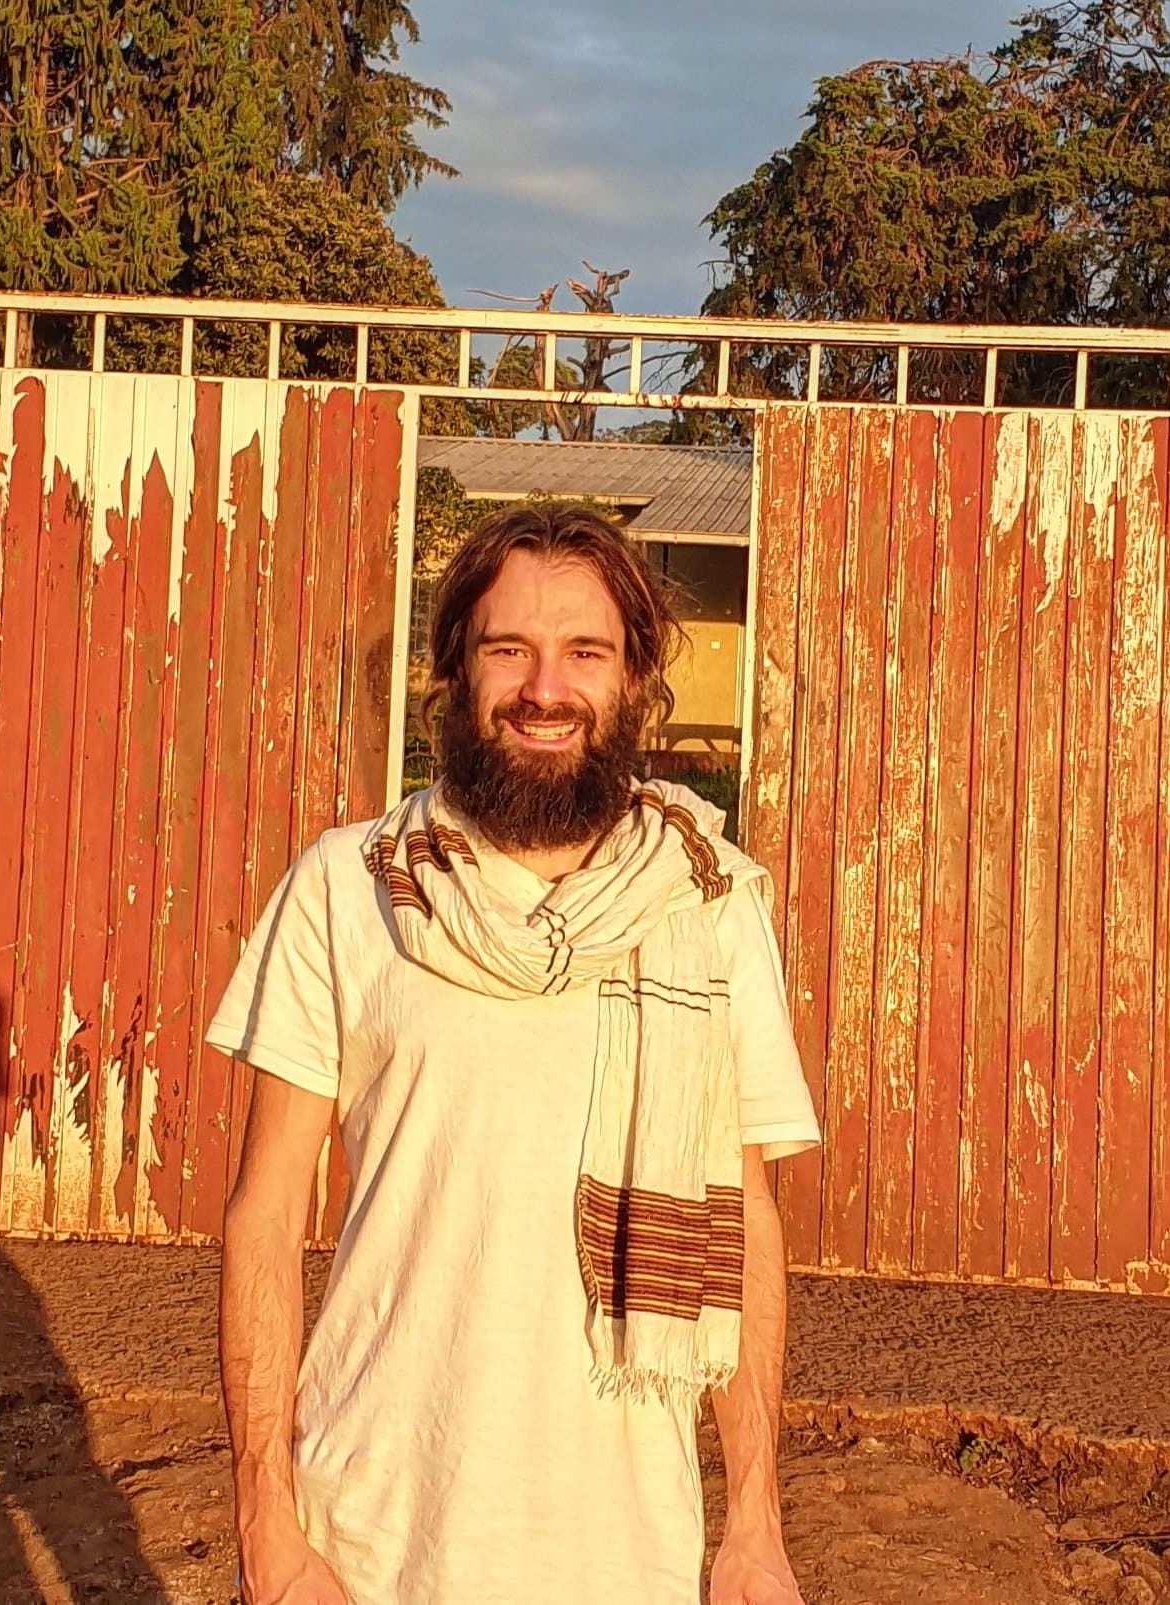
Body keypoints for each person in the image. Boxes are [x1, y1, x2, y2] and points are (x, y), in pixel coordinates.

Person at [212, 499, 821, 1605]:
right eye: (509, 650)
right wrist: (268, 1526)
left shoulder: (711, 905)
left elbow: (745, 1219)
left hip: (623, 1546)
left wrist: (755, 1525)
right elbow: (262, 1218)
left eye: (584, 651)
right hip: (370, 1530)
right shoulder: (348, 888)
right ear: (454, 675)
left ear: (634, 679)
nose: (547, 688)